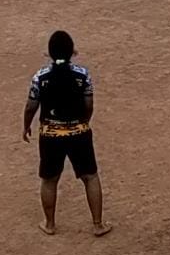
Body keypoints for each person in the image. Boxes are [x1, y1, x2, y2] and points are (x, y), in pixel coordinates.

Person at [22, 30, 110, 237]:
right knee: (90, 176)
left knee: (49, 179)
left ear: (49, 54)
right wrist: (84, 122)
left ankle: (50, 224)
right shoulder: (83, 74)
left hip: (51, 134)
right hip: (79, 131)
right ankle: (98, 224)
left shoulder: (40, 77)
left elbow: (30, 106)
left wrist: (26, 126)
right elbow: (89, 103)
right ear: (72, 52)